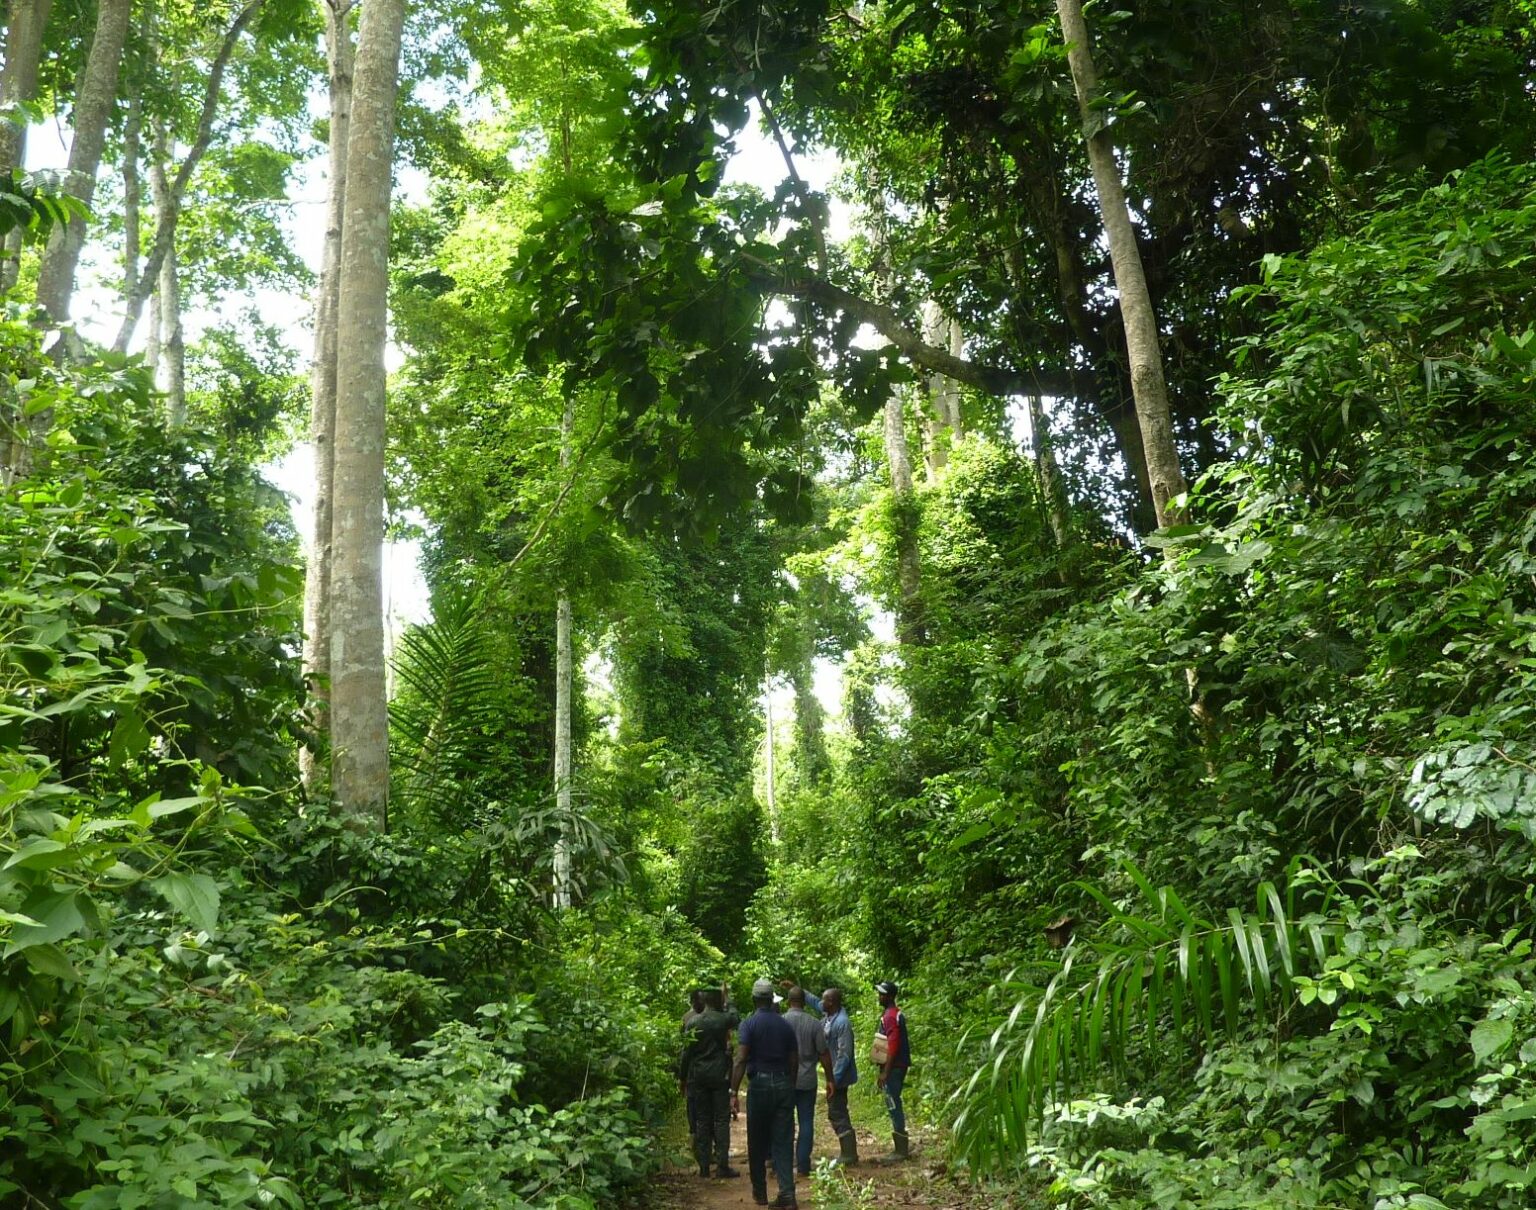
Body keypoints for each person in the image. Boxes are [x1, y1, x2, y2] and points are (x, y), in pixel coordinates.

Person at [731, 978, 799, 1208]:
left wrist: (733, 1091)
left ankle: (760, 1193)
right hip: (782, 1084)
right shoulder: (785, 1025)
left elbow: (741, 1058)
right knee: (783, 1141)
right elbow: (793, 1060)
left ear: (754, 999)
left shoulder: (748, 1025)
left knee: (757, 1141)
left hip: (759, 1086)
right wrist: (790, 1084)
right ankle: (787, 1193)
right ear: (771, 1000)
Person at [681, 988, 741, 1180]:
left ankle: (704, 1166)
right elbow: (735, 1017)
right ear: (719, 1002)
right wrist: (729, 1000)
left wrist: (683, 1078)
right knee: (721, 1120)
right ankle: (722, 1165)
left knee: (702, 1120)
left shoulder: (692, 1022)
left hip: (699, 1076)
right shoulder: (723, 1020)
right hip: (719, 1075)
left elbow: (686, 1054)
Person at [781, 986, 834, 1177]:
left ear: (788, 1002)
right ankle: (803, 1164)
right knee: (805, 1122)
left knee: (784, 1122)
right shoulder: (814, 1024)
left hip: (784, 1080)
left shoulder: (781, 1022)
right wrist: (830, 1079)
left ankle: (783, 1164)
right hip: (807, 1080)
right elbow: (824, 1053)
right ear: (804, 1003)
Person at [875, 980, 911, 1160]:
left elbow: (893, 1045)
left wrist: (885, 1072)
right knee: (894, 1101)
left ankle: (901, 1149)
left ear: (889, 996)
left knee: (893, 1103)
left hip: (894, 1067)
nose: (879, 996)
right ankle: (900, 1146)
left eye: (882, 993)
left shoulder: (890, 1016)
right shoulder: (894, 1013)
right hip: (898, 1066)